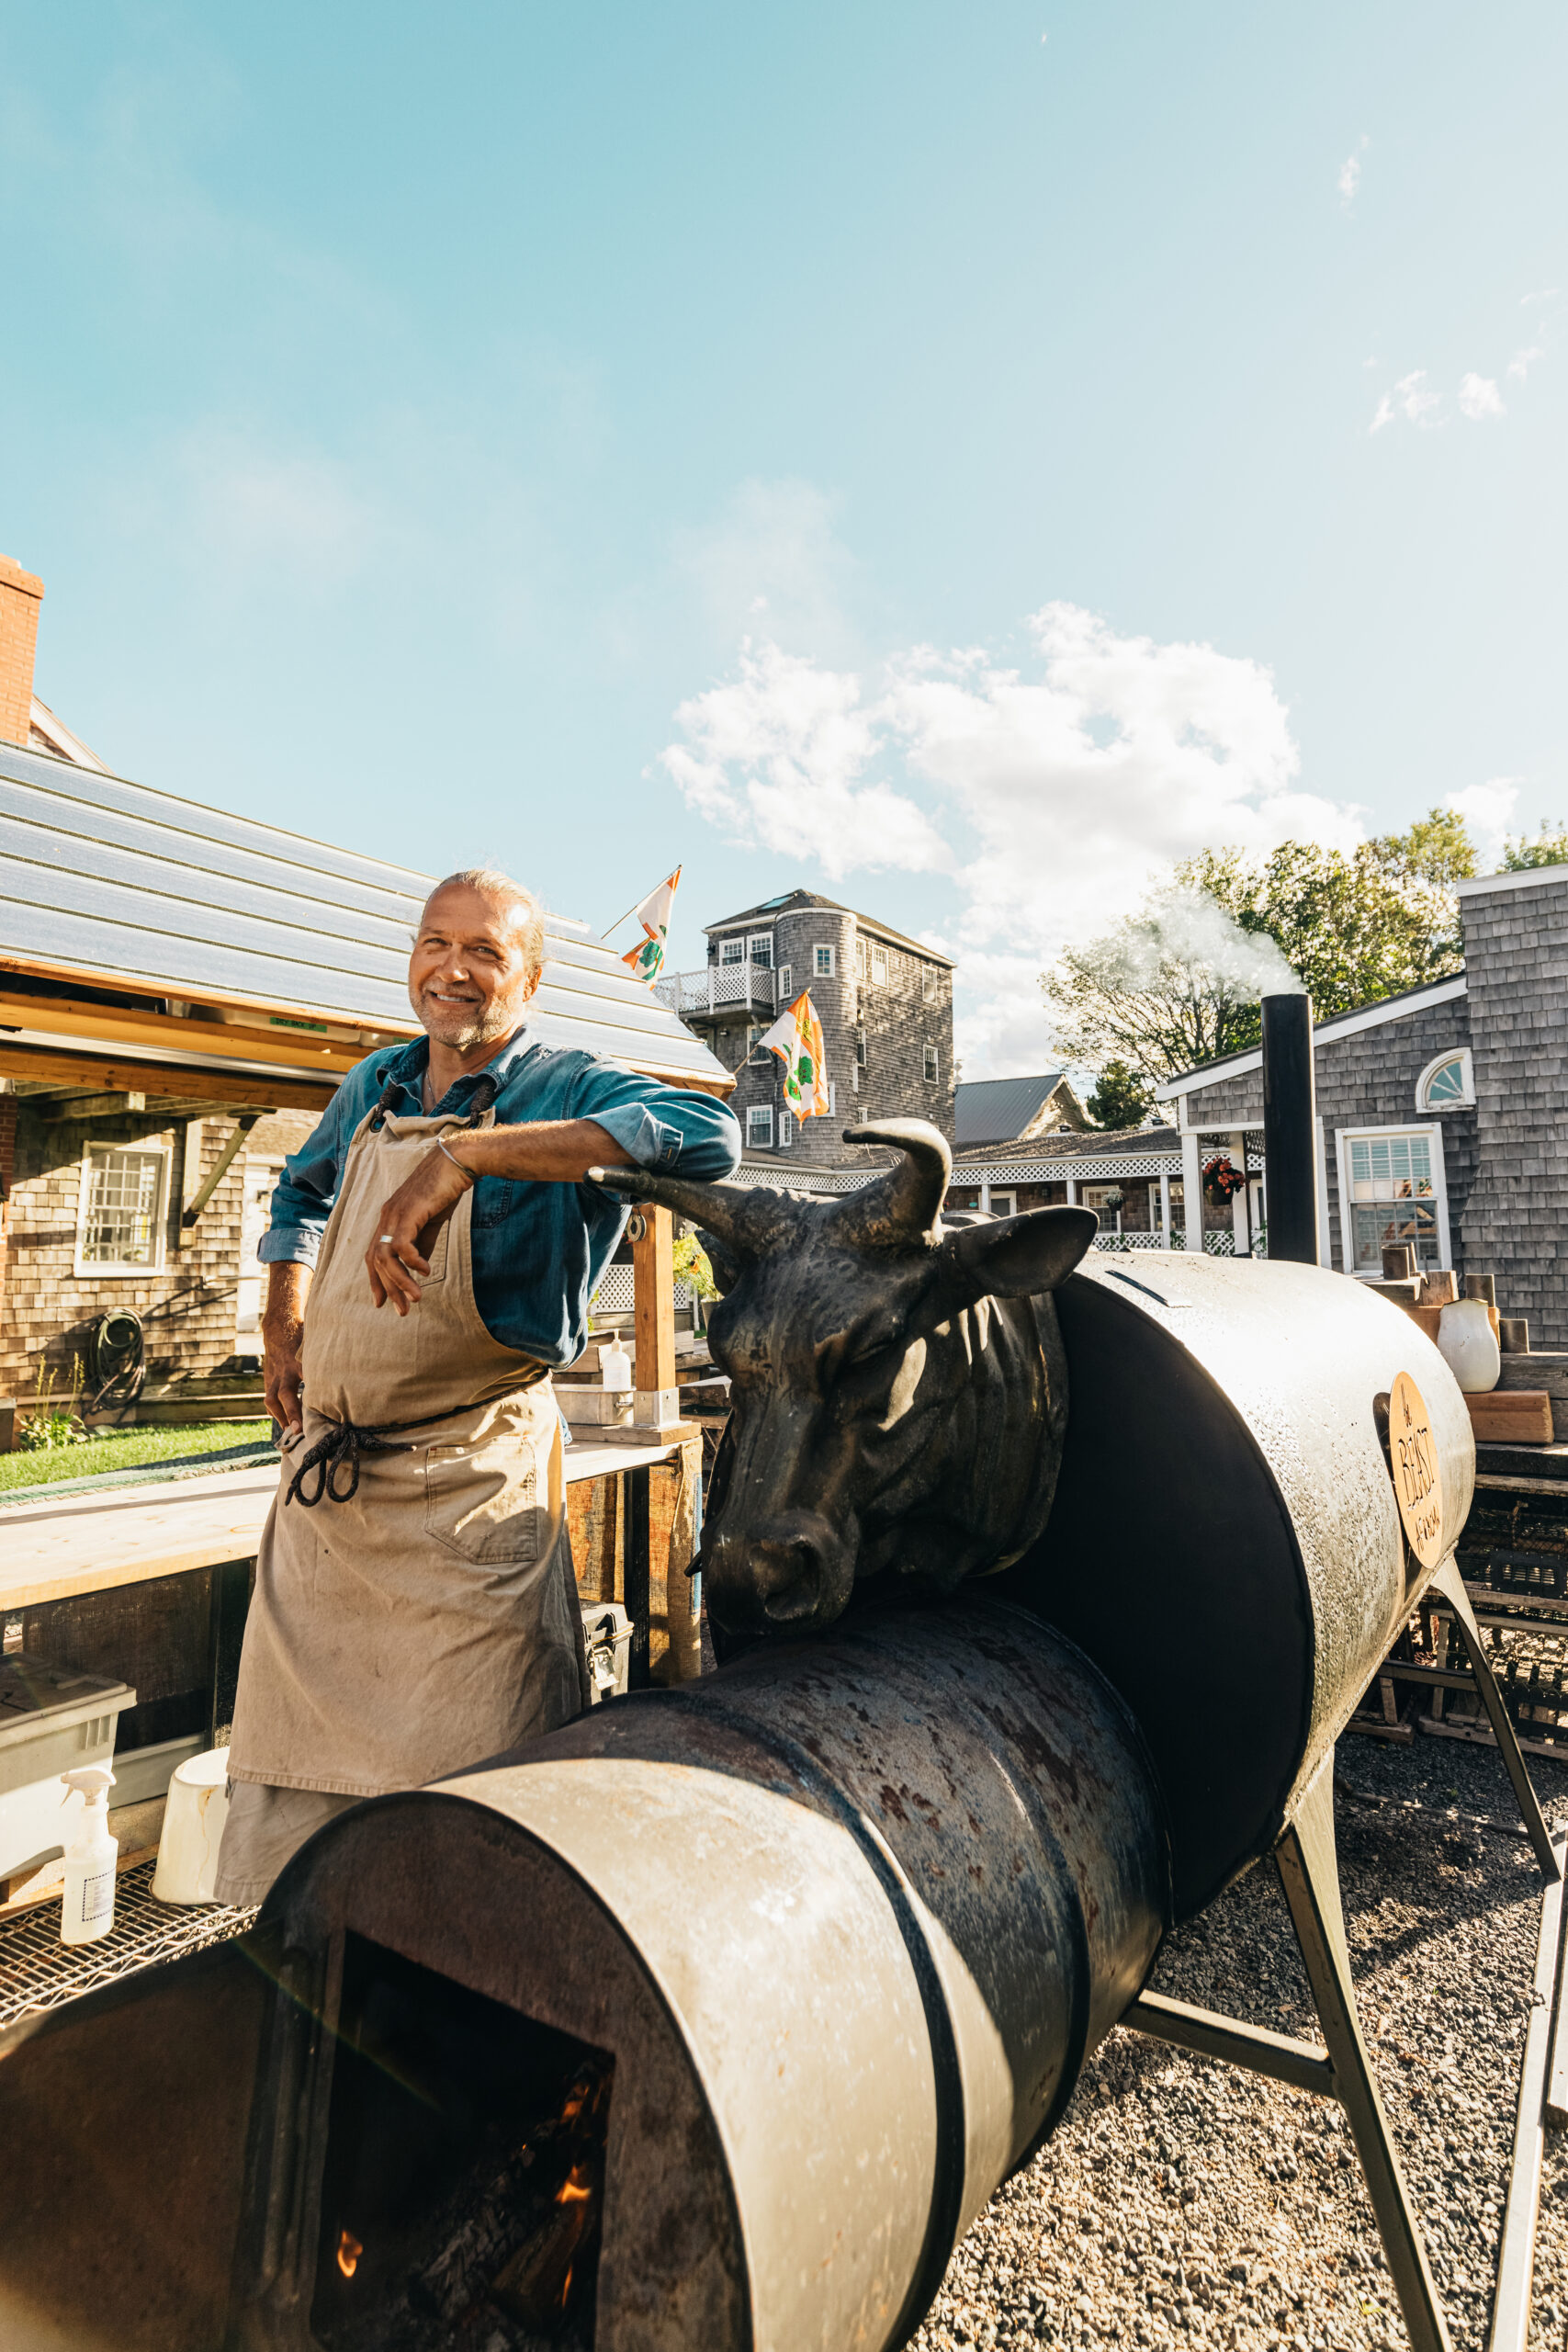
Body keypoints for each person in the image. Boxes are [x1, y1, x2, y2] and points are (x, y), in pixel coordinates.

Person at [212, 866, 740, 1904]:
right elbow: (301, 1188)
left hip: (467, 1503)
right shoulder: (376, 1085)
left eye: (485, 951)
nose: (451, 970)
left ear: (530, 979)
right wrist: (284, 1316)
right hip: (333, 1513)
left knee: (470, 1819)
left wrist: (465, 1159)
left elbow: (706, 1138)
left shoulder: (569, 1084)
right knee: (303, 1840)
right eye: (433, 943)